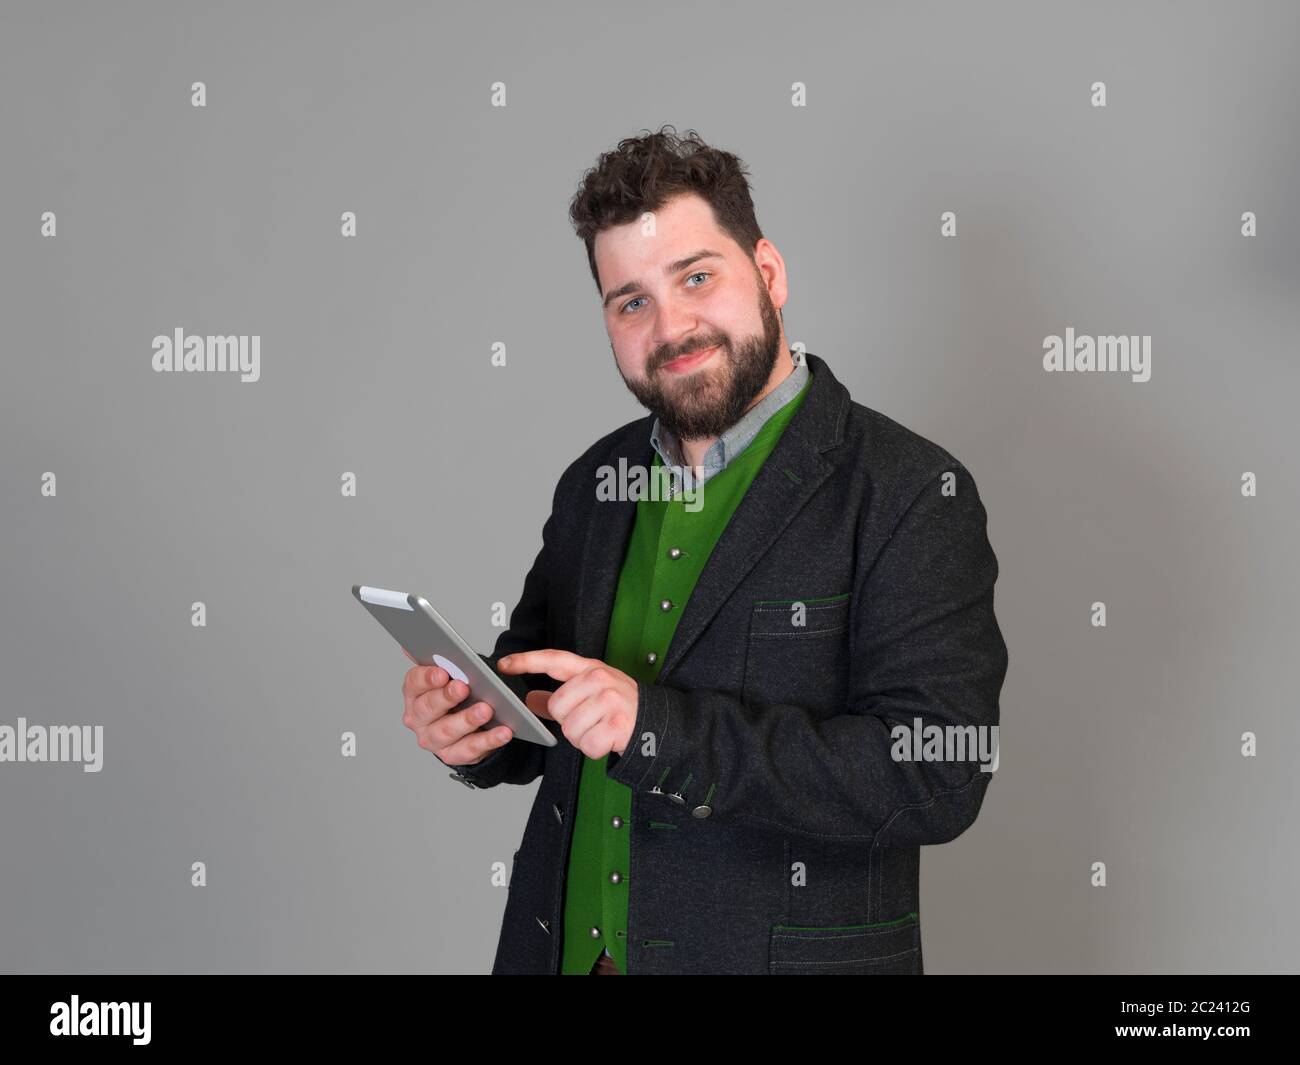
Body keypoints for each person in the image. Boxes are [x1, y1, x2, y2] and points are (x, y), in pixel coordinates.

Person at [400, 126, 1008, 975]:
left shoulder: (909, 491)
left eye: (696, 277)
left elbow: (937, 774)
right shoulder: (595, 481)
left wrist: (658, 729)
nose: (671, 325)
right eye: (631, 300)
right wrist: (483, 728)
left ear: (768, 273)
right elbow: (546, 695)